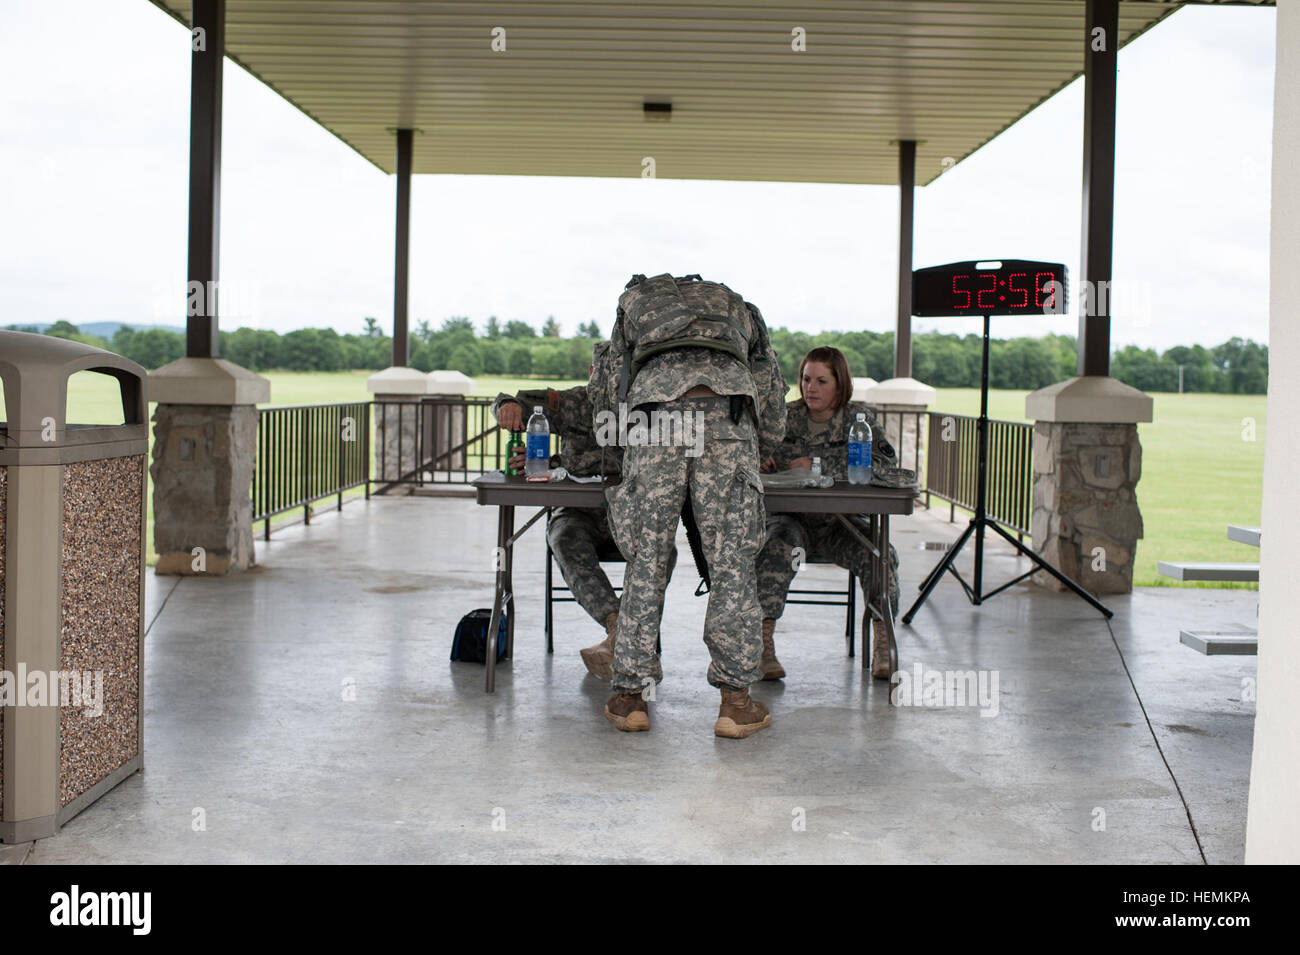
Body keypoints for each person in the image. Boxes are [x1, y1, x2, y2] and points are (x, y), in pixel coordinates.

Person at [591, 273, 787, 738]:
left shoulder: (636, 303)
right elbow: (771, 387)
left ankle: (630, 698)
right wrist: (767, 442)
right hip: (729, 416)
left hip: (655, 417)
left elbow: (606, 384)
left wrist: (621, 450)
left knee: (646, 559)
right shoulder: (738, 305)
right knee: (732, 560)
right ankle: (735, 704)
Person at [491, 343, 676, 680]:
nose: (610, 385)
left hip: (630, 513)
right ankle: (621, 628)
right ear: (592, 376)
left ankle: (623, 639)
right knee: (563, 538)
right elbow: (514, 401)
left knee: (665, 548)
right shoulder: (574, 402)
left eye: (619, 378)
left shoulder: (650, 412)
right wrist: (505, 406)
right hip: (578, 514)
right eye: (602, 376)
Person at [756, 346, 901, 681]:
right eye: (806, 379)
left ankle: (882, 642)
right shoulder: (783, 417)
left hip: (843, 524)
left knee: (879, 555)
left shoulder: (858, 420)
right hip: (792, 521)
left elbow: (884, 465)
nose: (811, 387)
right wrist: (761, 461)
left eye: (822, 381)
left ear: (840, 384)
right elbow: (753, 453)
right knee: (774, 549)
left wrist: (819, 466)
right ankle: (763, 646)